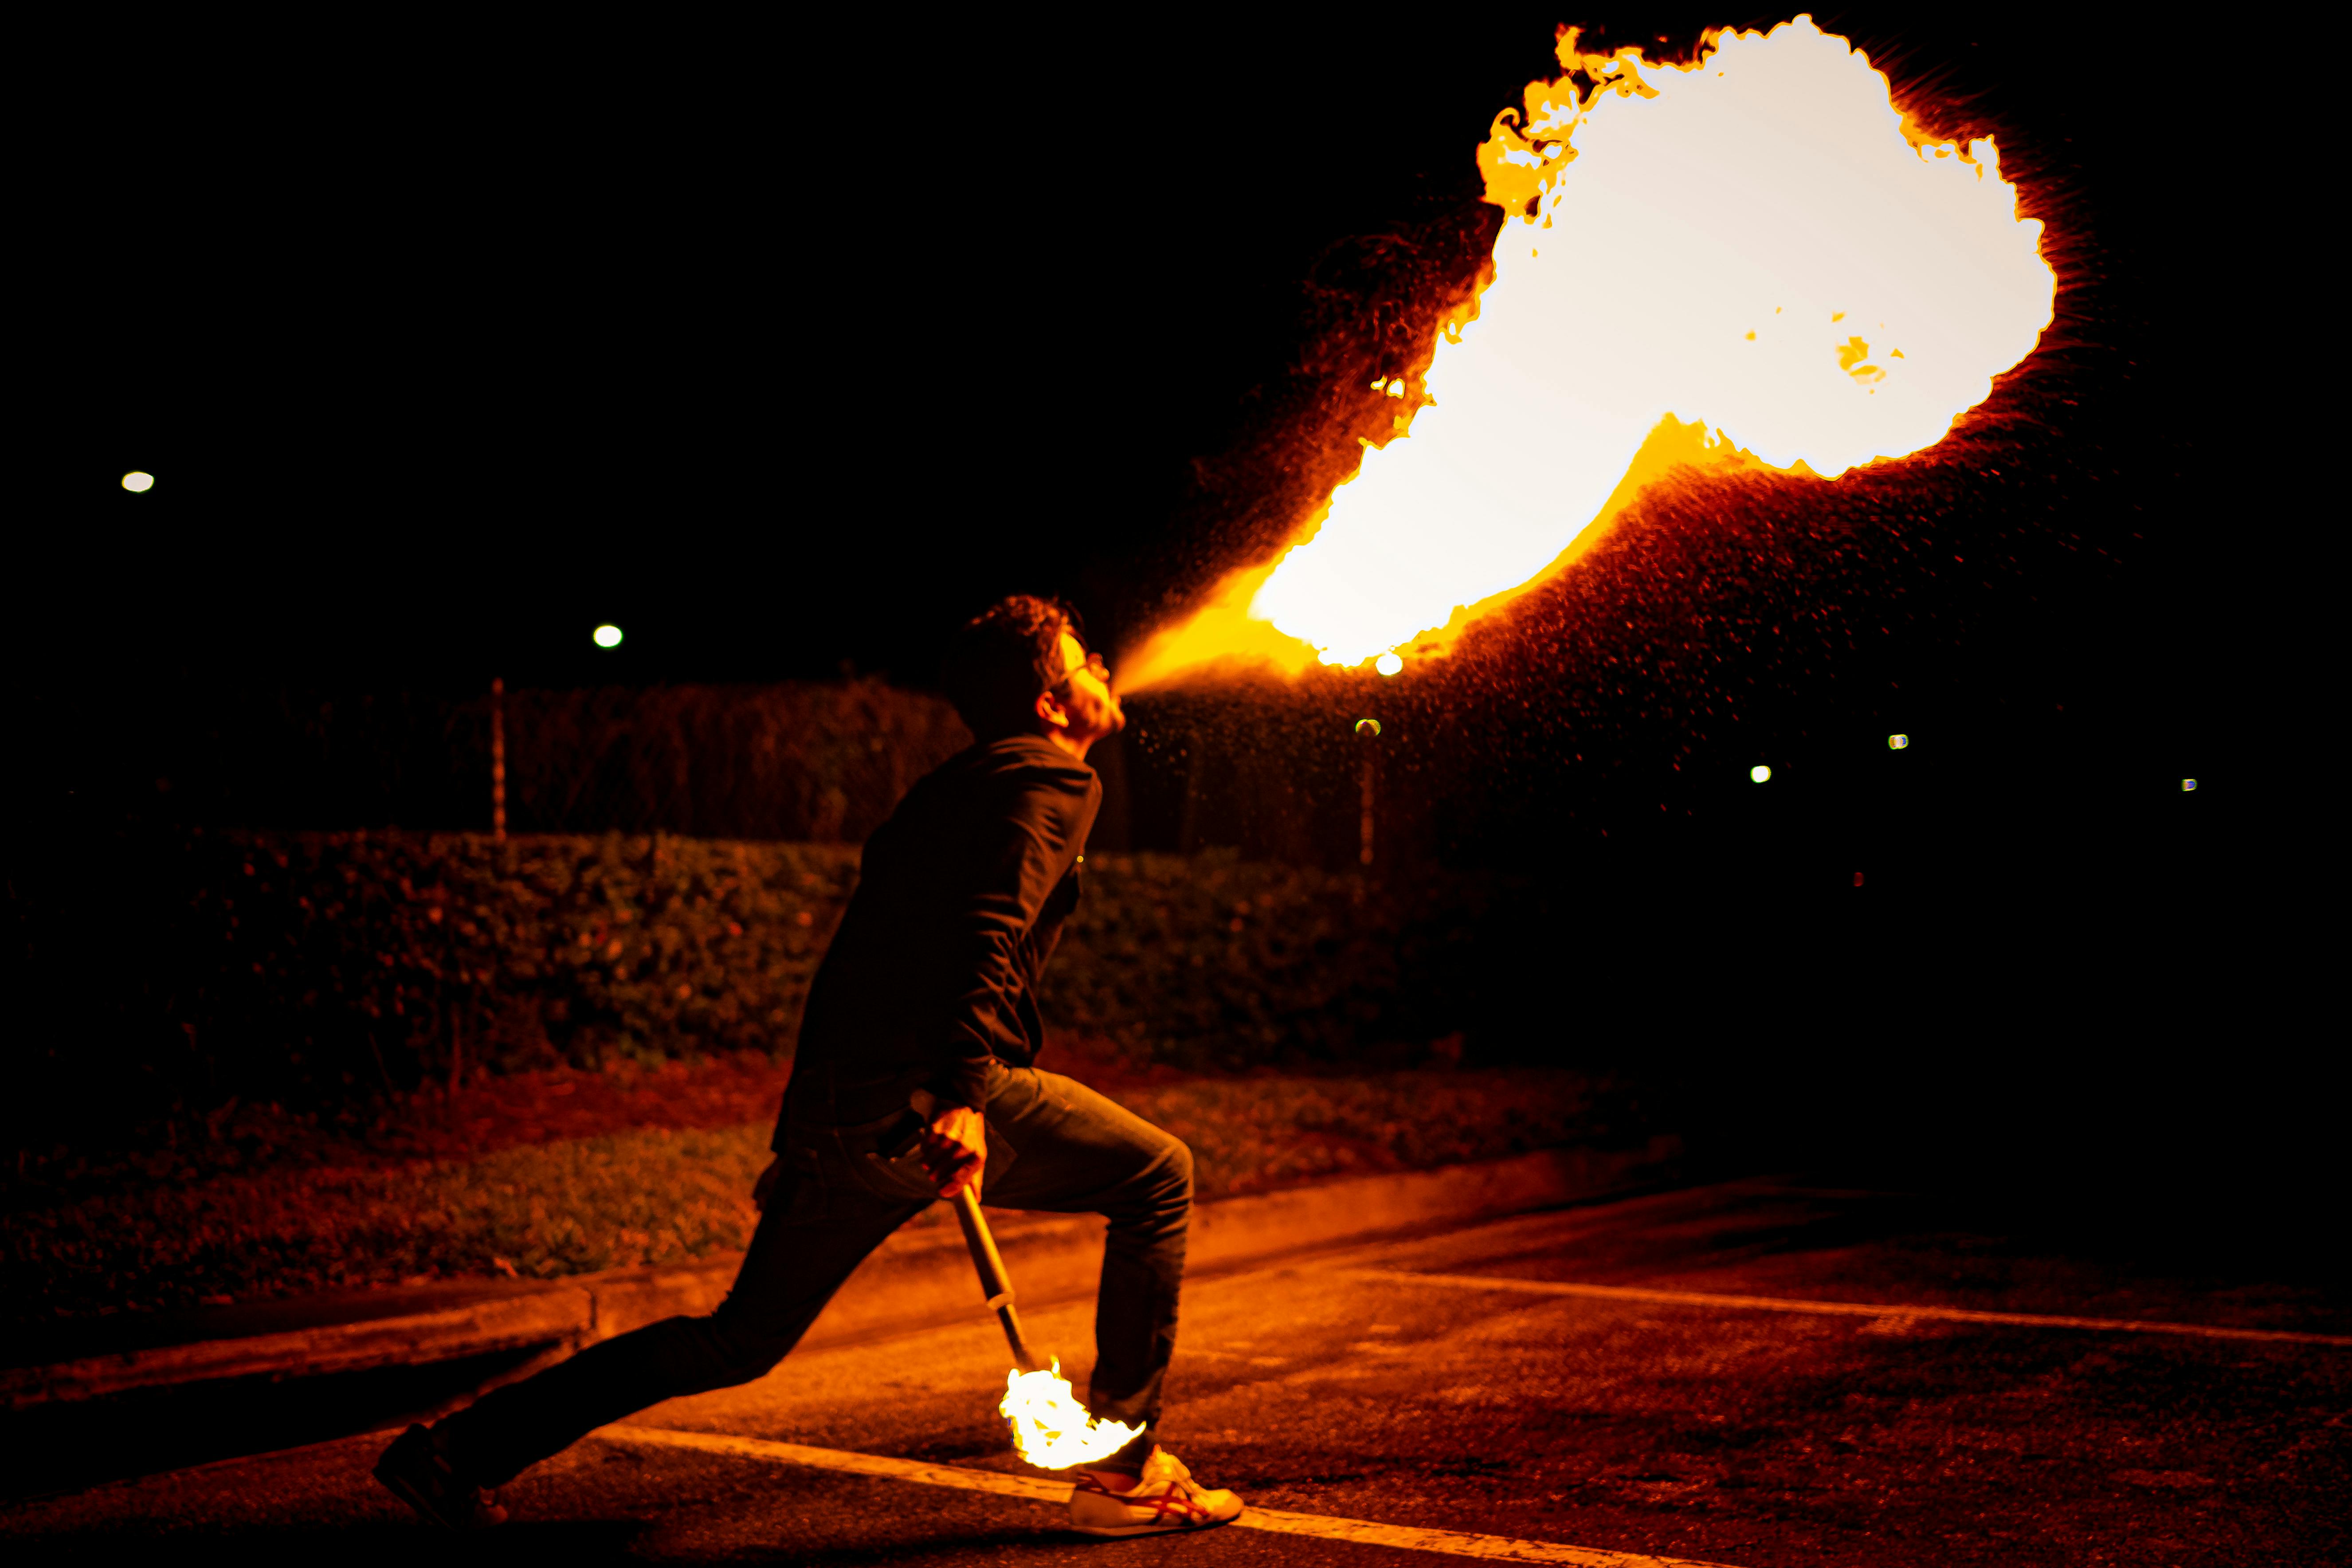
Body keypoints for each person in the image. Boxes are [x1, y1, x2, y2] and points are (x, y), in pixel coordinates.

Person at [374, 595, 1244, 1538]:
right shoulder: (1049, 779)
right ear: (1047, 704)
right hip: (920, 1097)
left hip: (851, 1108)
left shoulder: (953, 788)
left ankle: (455, 1450)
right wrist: (961, 1096)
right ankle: (1123, 1467)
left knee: (740, 1339)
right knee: (1157, 1173)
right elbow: (985, 933)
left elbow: (862, 961)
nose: (1106, 669)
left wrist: (813, 1132)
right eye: (1084, 662)